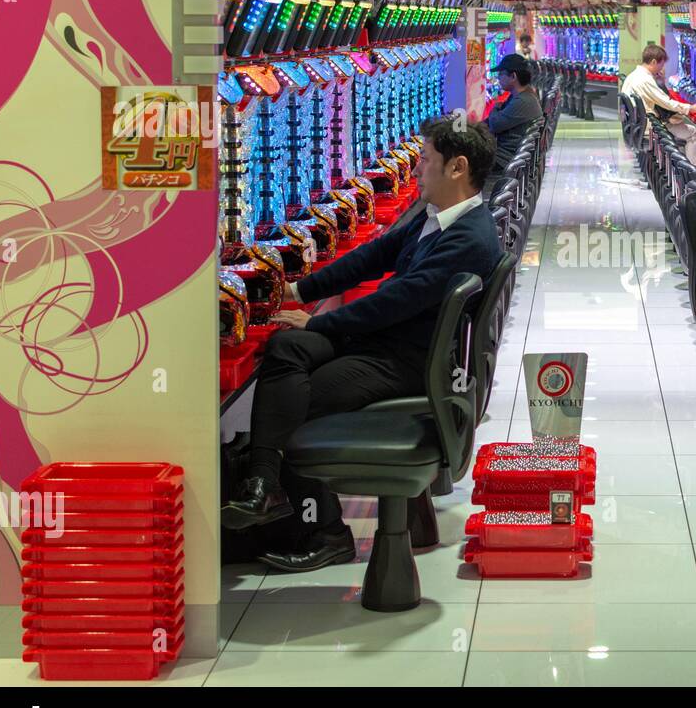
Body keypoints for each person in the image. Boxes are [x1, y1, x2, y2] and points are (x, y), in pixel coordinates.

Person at [222, 117, 503, 572]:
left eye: (425, 160)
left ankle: (326, 531)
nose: (415, 171)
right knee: (286, 349)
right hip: (387, 344)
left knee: (300, 399)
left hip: (408, 361)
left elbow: (392, 303)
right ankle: (263, 483)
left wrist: (319, 324)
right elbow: (375, 255)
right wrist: (301, 291)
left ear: (458, 168)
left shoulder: (468, 238)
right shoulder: (441, 218)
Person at [621, 43, 696, 160]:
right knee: (693, 132)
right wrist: (690, 108)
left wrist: (659, 80)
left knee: (679, 123)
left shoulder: (634, 76)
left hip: (638, 123)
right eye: (661, 65)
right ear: (653, 62)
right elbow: (665, 102)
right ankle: (691, 171)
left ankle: (679, 167)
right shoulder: (645, 80)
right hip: (651, 125)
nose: (662, 69)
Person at [484, 53, 544, 190]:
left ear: (513, 76)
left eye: (501, 74)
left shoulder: (523, 101)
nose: (498, 78)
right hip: (510, 156)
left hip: (506, 160)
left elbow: (494, 125)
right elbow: (493, 121)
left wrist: (494, 108)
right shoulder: (520, 96)